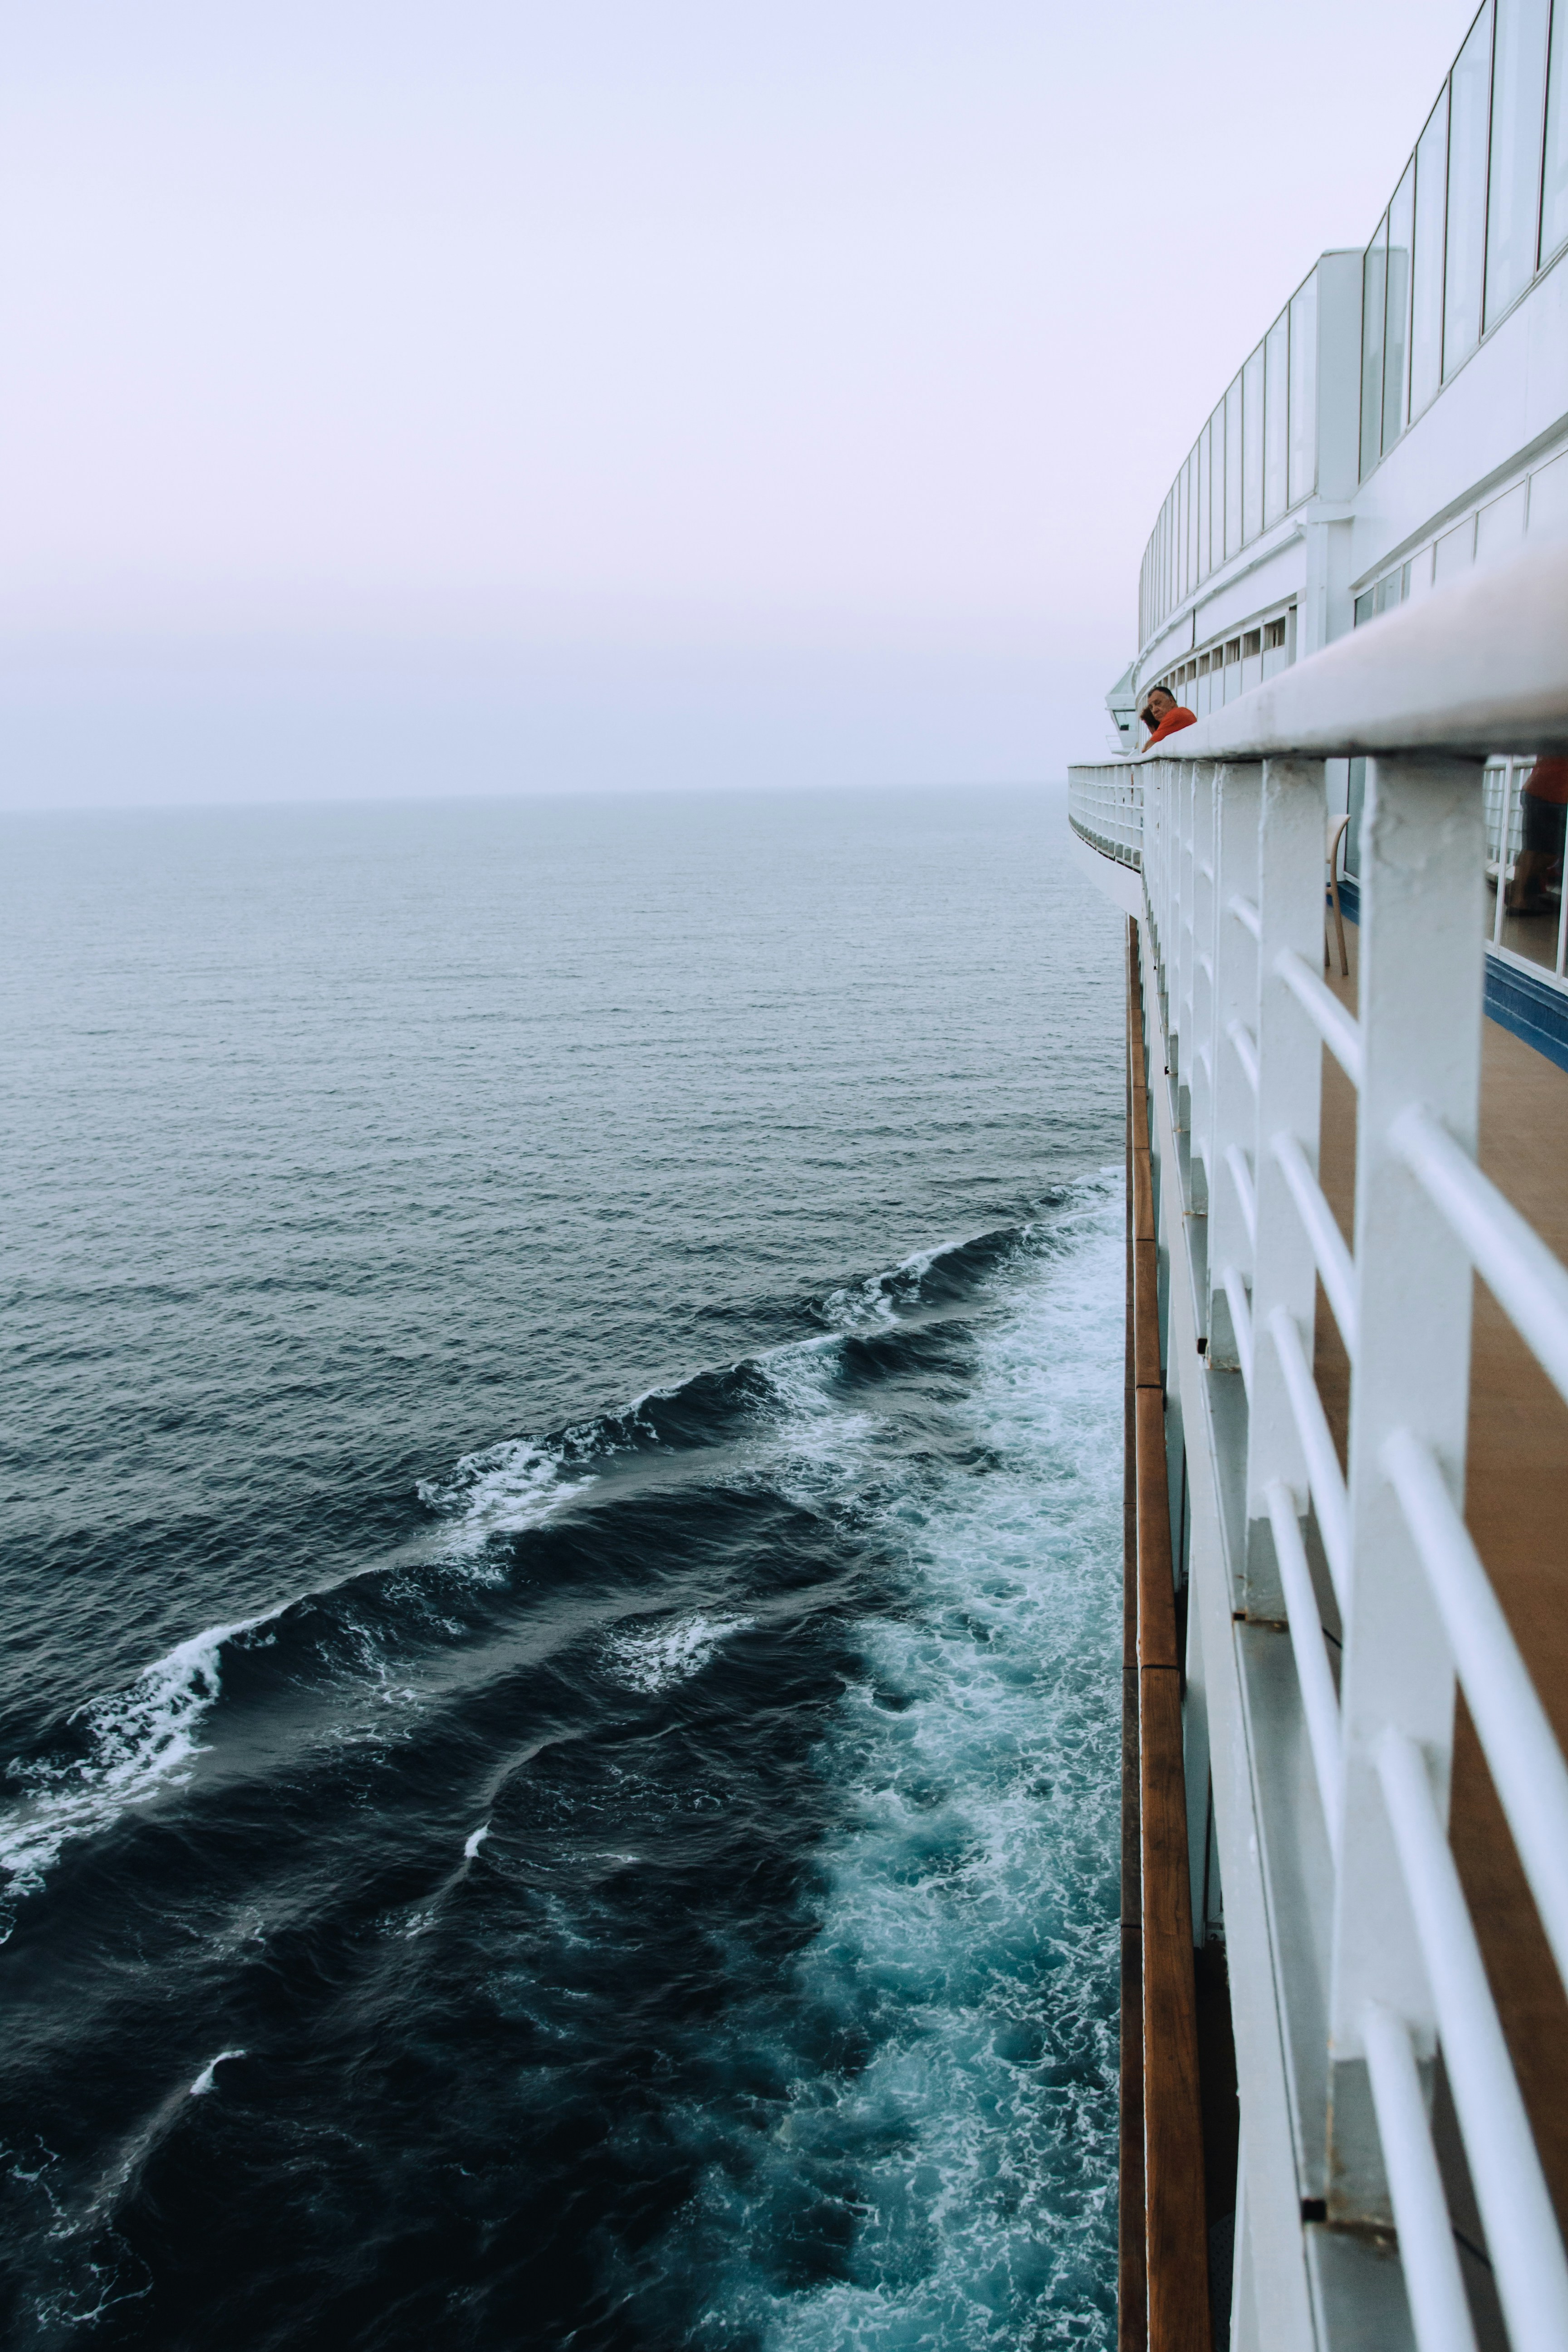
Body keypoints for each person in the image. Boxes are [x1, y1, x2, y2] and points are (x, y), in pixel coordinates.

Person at [1506, 756, 1568, 913]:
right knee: (1538, 849)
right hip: (1552, 796)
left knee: (1536, 850)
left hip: (1537, 791)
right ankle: (1518, 899)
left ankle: (1518, 891)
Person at [1139, 685, 1197, 749]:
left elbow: (1146, 749)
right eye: (1151, 707)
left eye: (1158, 703)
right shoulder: (1183, 712)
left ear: (1171, 701)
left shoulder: (1175, 715)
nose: (1154, 710)